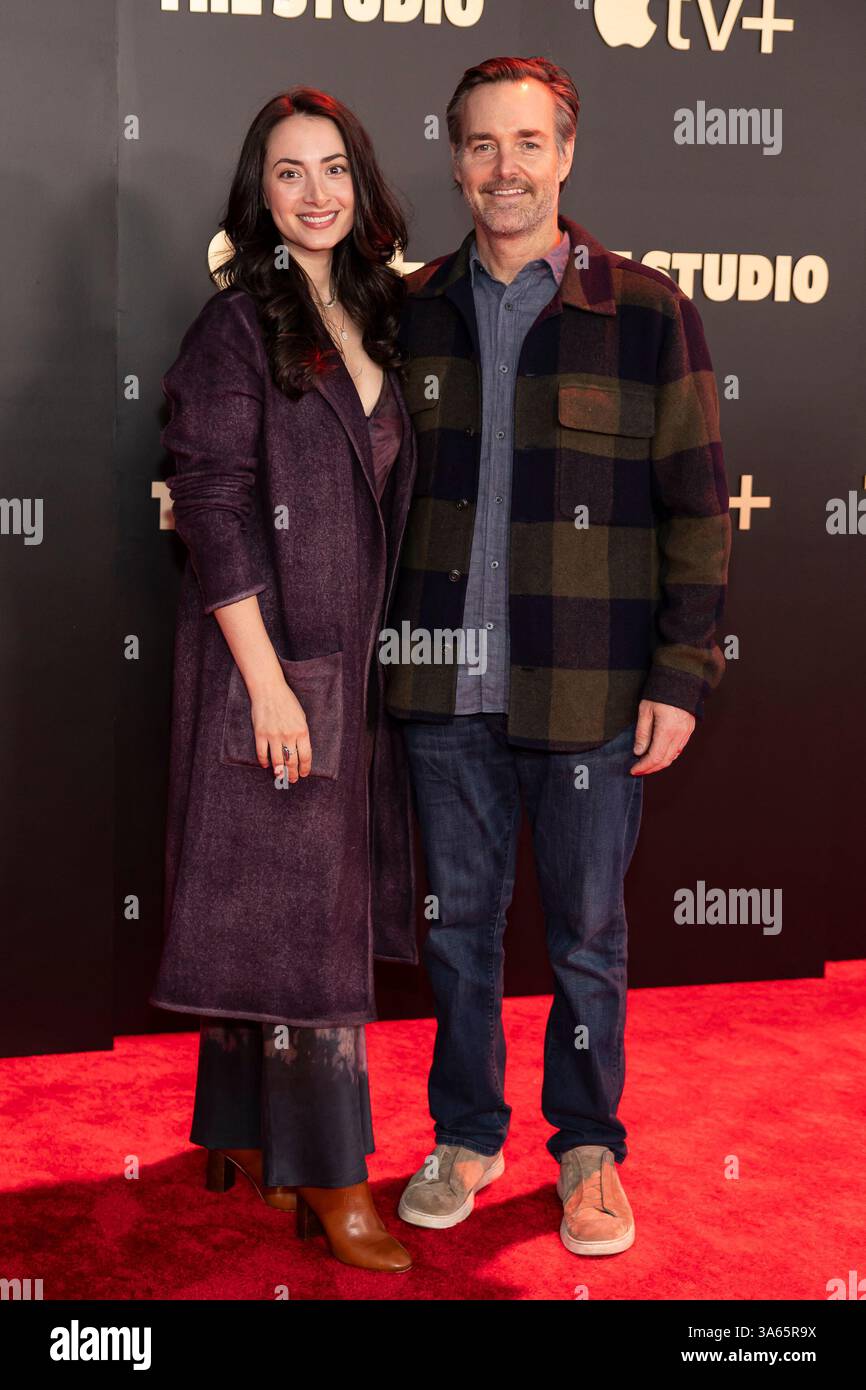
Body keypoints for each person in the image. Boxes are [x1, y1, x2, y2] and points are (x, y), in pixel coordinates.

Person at [383, 56, 731, 1255]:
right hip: (442, 686)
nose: (503, 170)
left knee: (586, 933)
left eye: (527, 144)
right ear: (453, 157)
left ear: (566, 154)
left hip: (587, 686)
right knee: (456, 928)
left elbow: (696, 506)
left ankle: (585, 1148)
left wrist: (682, 675)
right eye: (480, 145)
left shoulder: (642, 311)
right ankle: (466, 1135)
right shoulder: (411, 308)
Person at [149, 87, 419, 1273]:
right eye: (287, 174)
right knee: (307, 929)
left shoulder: (377, 314)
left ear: (361, 186)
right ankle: (333, 1179)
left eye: (333, 170)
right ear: (257, 199)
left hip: (353, 669)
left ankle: (245, 1138)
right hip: (269, 662)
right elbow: (210, 506)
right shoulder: (233, 328)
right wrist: (265, 683)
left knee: (288, 908)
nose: (314, 194)